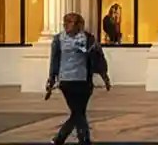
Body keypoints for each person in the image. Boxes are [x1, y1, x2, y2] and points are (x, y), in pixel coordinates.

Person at [47, 12, 111, 145]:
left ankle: (64, 138)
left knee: (78, 112)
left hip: (83, 81)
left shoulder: (89, 39)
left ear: (79, 25)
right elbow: (55, 60)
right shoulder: (58, 40)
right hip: (67, 81)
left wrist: (105, 76)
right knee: (78, 112)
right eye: (66, 23)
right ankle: (79, 139)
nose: (68, 26)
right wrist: (51, 79)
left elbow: (98, 58)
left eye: (71, 23)